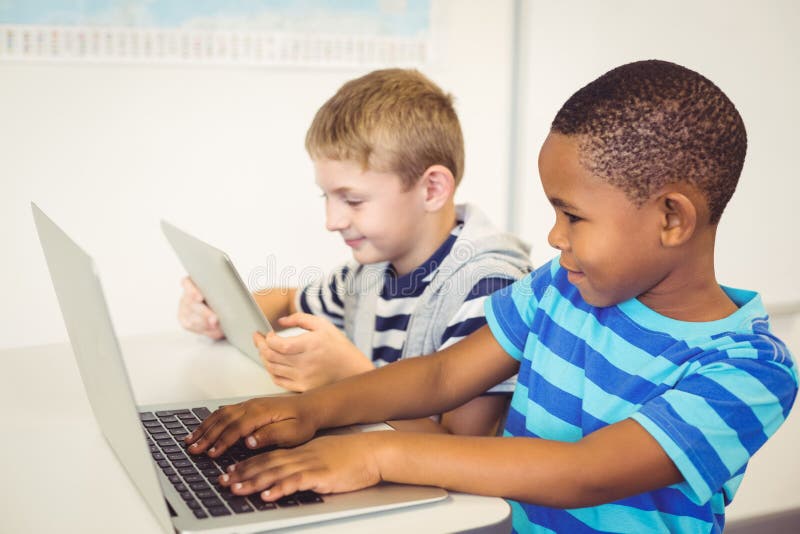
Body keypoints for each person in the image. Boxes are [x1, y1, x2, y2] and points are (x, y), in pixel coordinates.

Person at [183, 60, 798, 532]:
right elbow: (444, 374)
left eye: (573, 216)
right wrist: (314, 411)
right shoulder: (560, 290)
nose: (554, 236)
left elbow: (580, 473)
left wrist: (373, 454)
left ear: (671, 218)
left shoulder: (747, 371)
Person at [178, 68, 532, 436]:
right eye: (326, 197)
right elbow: (286, 301)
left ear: (431, 190)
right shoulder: (369, 273)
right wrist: (221, 313)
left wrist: (350, 378)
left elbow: (462, 449)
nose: (332, 221)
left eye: (352, 199)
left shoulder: (488, 290)